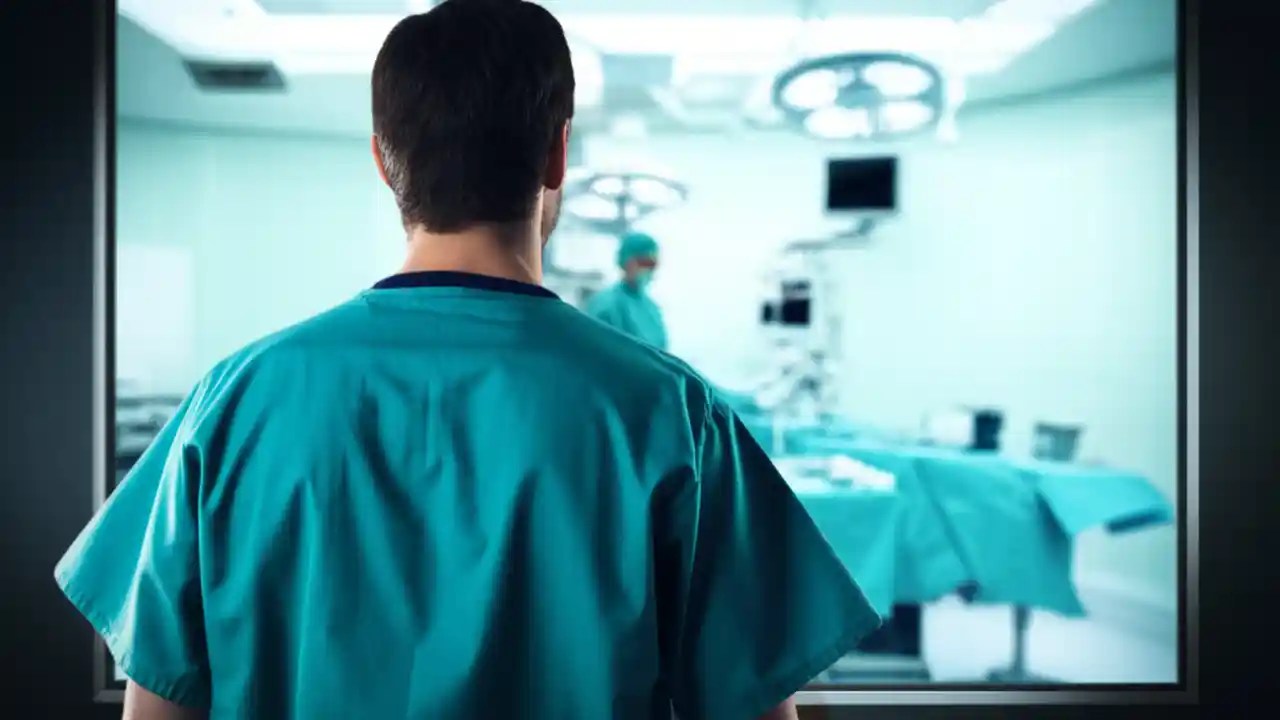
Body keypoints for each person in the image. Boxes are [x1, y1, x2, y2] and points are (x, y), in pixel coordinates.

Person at [53, 1, 880, 718]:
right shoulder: (670, 415)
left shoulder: (231, 405)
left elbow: (158, 707)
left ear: (384, 161)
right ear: (559, 155)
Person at [586, 231, 668, 350]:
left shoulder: (652, 309)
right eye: (643, 263)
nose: (647, 270)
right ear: (626, 262)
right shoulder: (606, 305)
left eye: (652, 264)